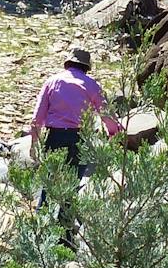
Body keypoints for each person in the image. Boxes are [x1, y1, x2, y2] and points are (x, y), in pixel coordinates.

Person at [28, 46, 122, 174]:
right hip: (79, 137)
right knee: (73, 181)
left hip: (54, 136)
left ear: (67, 64)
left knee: (51, 179)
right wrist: (114, 133)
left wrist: (34, 145)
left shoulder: (51, 82)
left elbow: (37, 118)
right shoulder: (92, 84)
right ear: (86, 67)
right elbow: (106, 113)